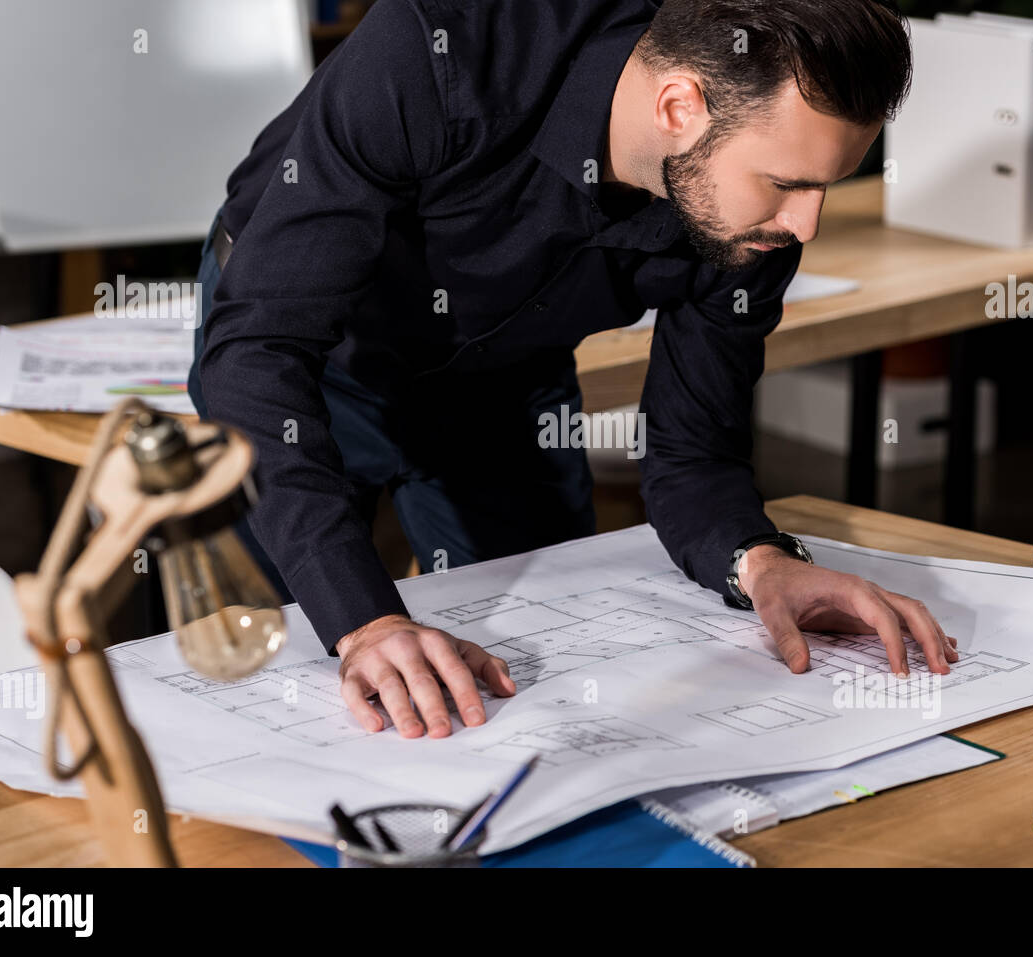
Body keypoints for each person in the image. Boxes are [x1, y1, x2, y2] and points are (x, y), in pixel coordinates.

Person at [191, 0, 957, 740]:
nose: (806, 224)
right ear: (679, 105)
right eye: (788, 183)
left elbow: (694, 452)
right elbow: (258, 352)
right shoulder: (438, 47)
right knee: (273, 680)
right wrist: (365, 620)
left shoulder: (755, 228)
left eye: (828, 185)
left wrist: (759, 561)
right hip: (308, 359)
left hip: (506, 376)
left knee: (537, 677)